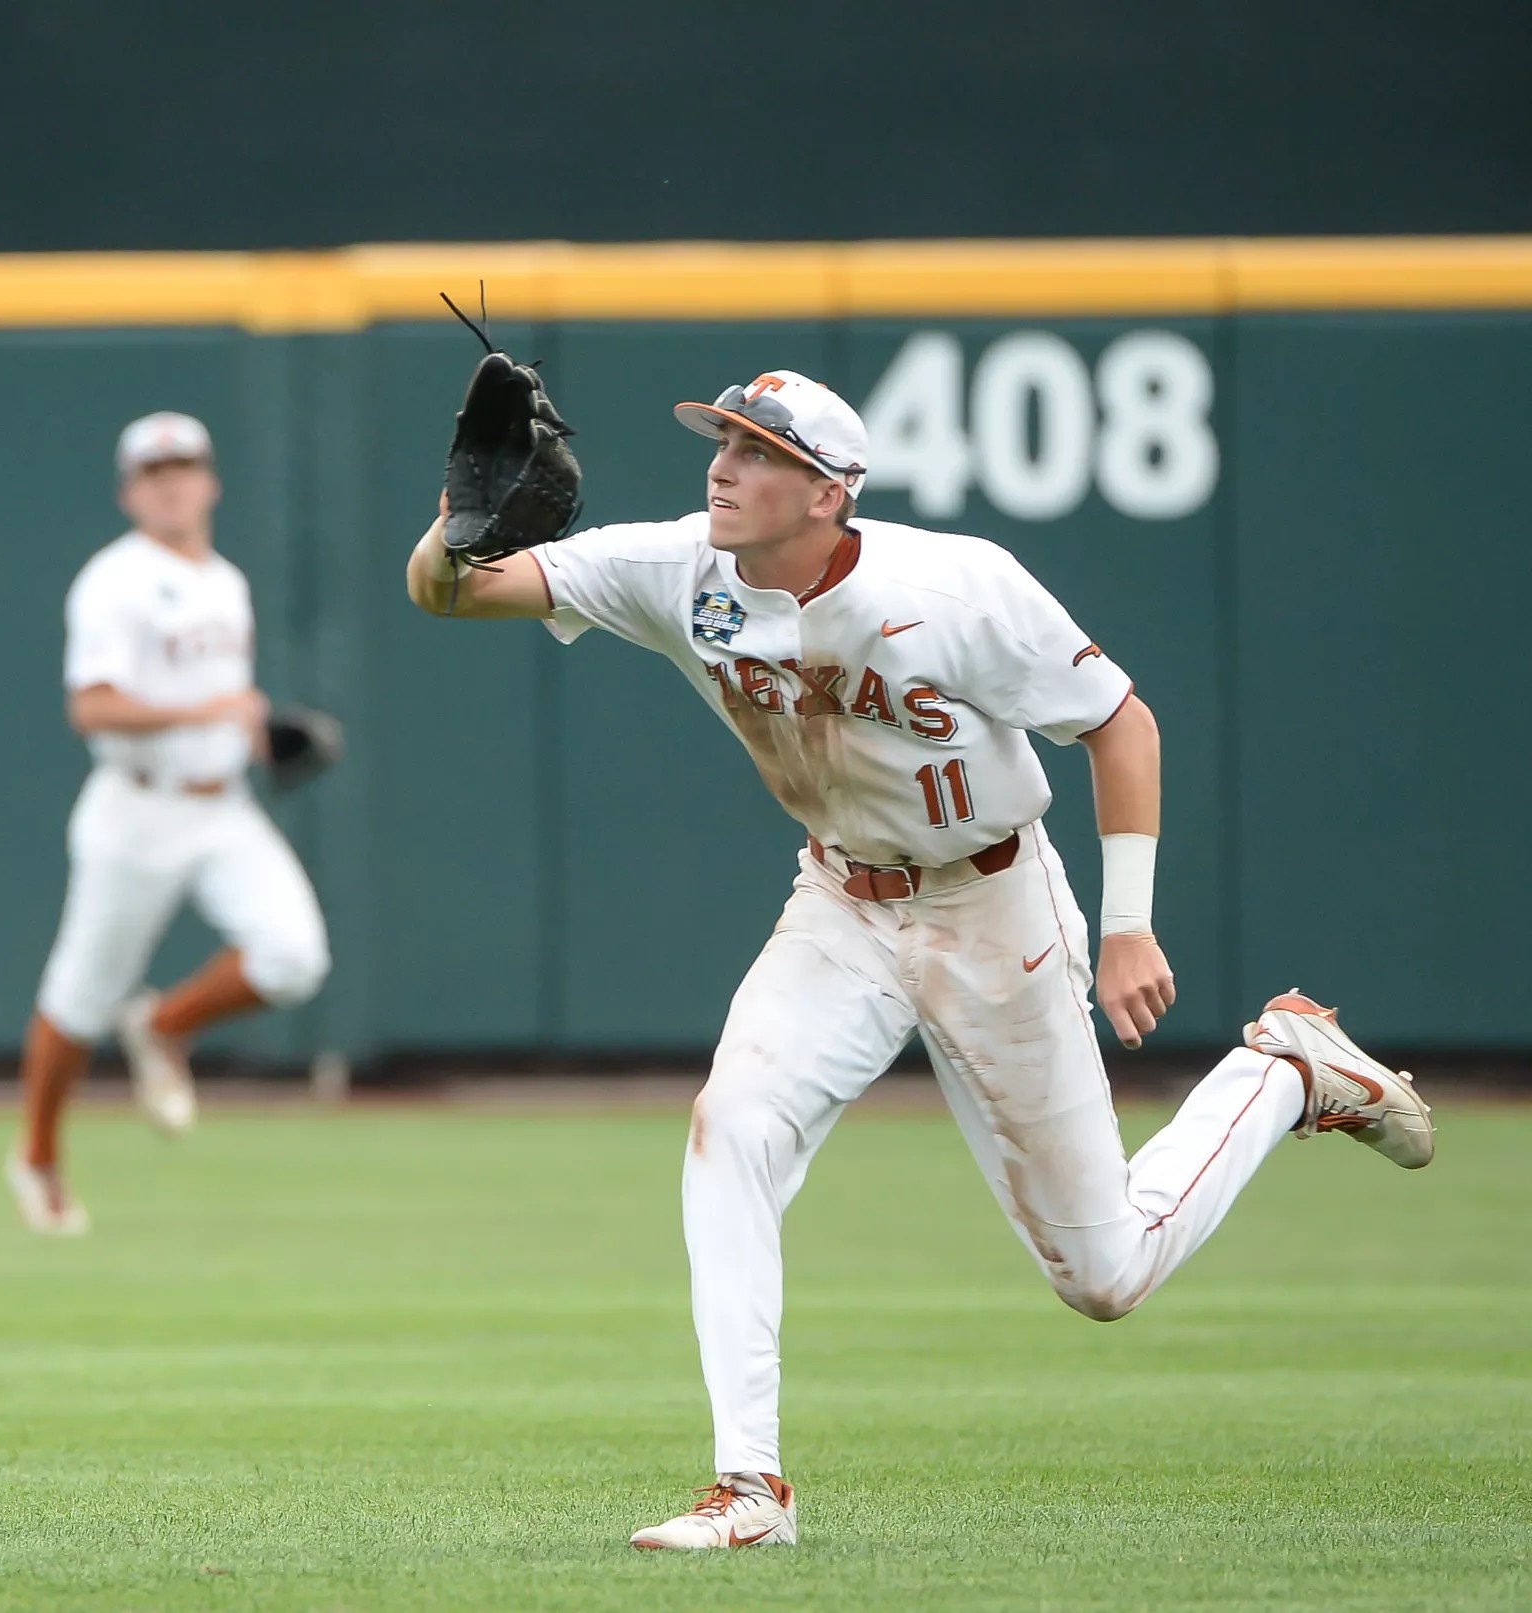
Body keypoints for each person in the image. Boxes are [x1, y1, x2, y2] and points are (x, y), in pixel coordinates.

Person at [404, 369, 1432, 1548]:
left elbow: (1119, 721)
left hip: (991, 900)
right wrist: (458, 515)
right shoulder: (673, 568)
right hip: (838, 902)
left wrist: (1127, 923)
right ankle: (749, 1488)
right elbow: (450, 595)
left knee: (1103, 1275)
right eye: (720, 441)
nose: (721, 466)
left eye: (756, 451)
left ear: (828, 492)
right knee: (730, 1126)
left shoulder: (952, 584)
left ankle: (1285, 1072)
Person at [4, 412, 331, 1235]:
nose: (172, 482)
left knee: (293, 958)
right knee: (78, 1000)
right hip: (136, 810)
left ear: (211, 481)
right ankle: (37, 1155)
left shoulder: (226, 579)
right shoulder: (113, 580)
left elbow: (219, 700)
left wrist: (252, 726)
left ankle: (163, 1025)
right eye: (154, 473)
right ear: (129, 493)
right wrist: (208, 708)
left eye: (184, 466)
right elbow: (92, 705)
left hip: (220, 804)